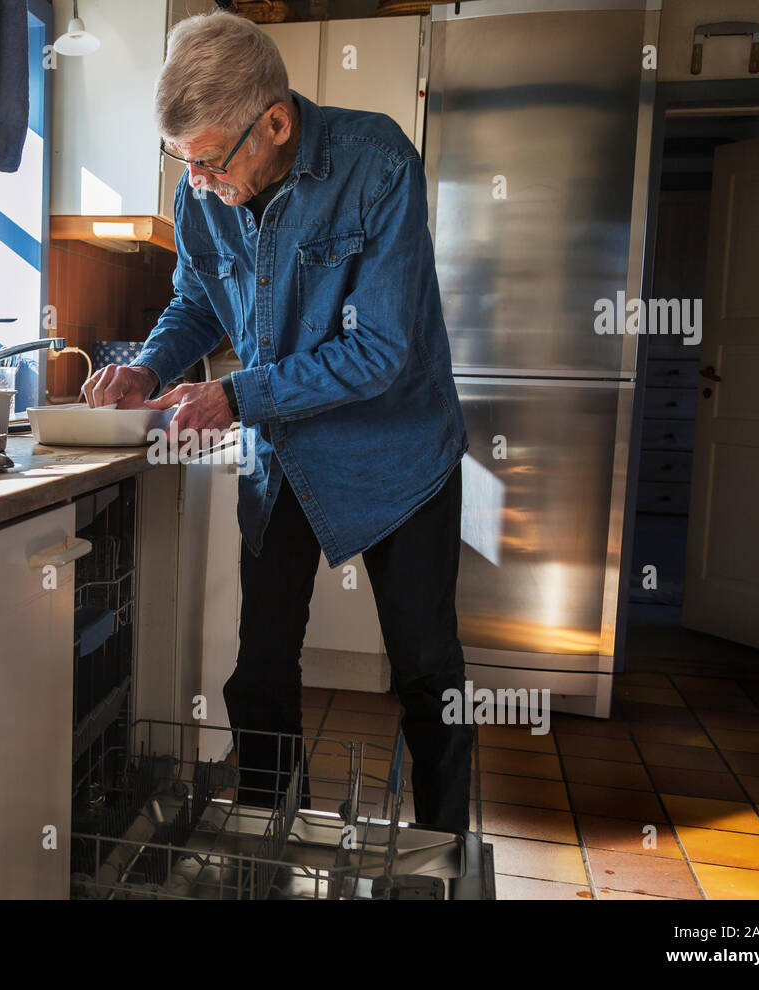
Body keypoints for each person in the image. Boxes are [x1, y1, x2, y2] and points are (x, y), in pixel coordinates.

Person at [82, 11, 472, 832]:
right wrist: (149, 366)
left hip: (397, 453)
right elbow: (196, 299)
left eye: (209, 162)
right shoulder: (205, 188)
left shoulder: (378, 162)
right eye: (180, 161)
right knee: (258, 670)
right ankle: (267, 836)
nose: (194, 183)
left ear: (277, 124)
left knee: (427, 672)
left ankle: (441, 850)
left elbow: (383, 352)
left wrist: (234, 398)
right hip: (287, 452)